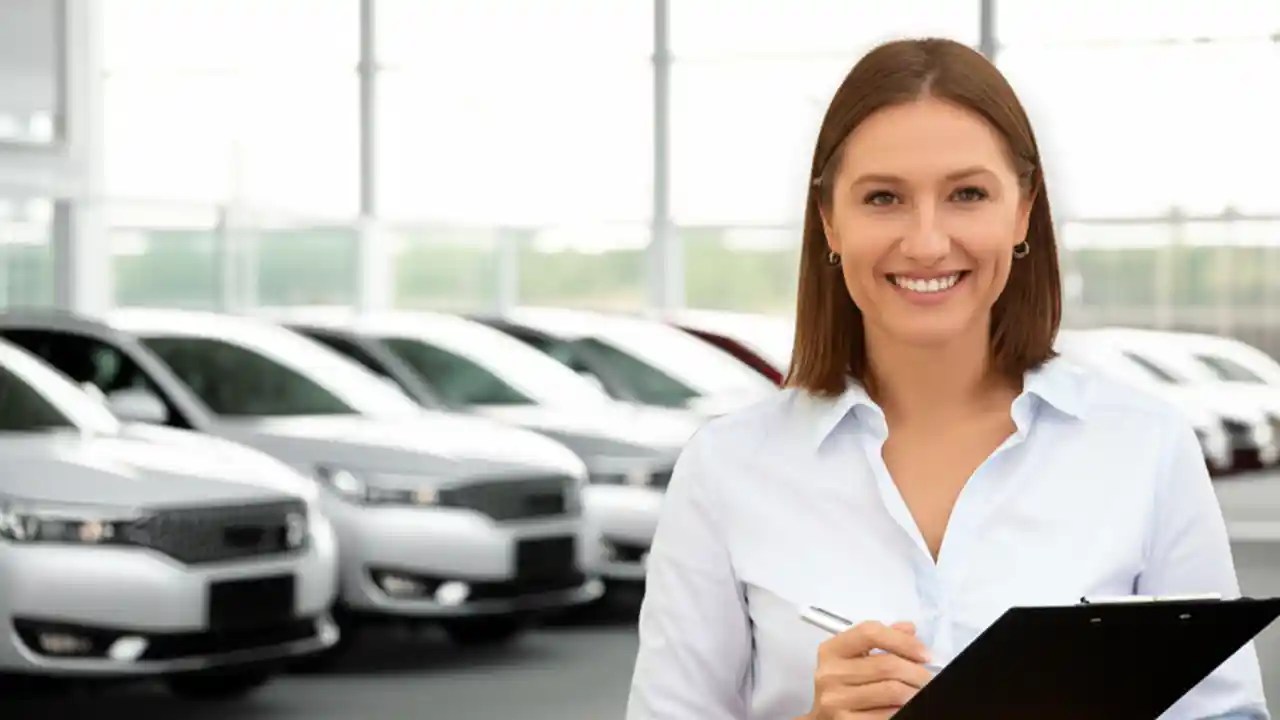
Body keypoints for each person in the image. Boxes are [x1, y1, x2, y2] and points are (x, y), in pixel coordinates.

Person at [625, 37, 1268, 720]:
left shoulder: (1144, 447)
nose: (927, 241)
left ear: (1022, 211)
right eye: (883, 198)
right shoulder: (727, 470)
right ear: (829, 222)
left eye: (967, 194)